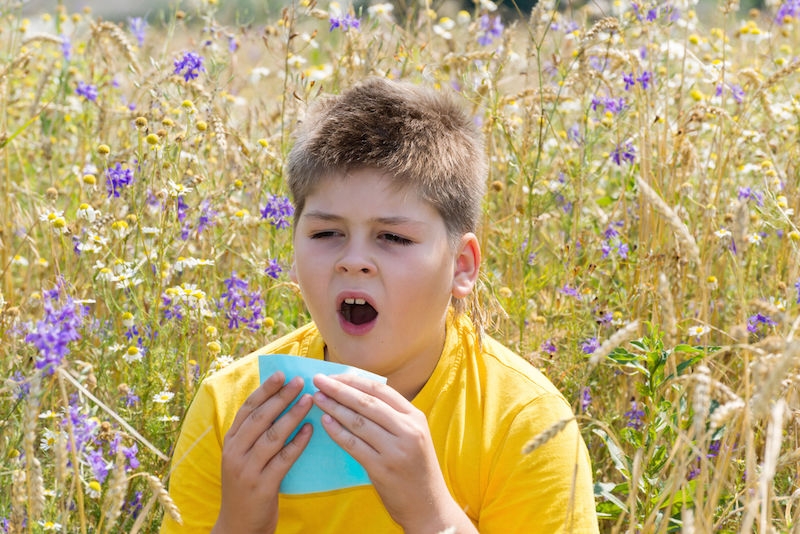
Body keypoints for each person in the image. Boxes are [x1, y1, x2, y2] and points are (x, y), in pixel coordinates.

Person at [160, 77, 599, 533]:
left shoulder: (524, 422)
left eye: (393, 237)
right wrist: (240, 522)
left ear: (462, 266)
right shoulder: (232, 409)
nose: (353, 262)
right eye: (326, 234)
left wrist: (429, 511)